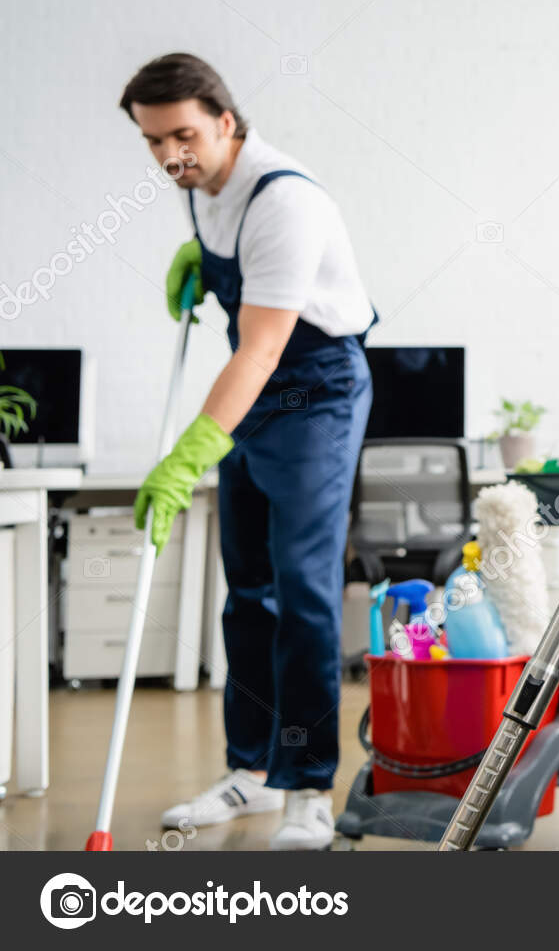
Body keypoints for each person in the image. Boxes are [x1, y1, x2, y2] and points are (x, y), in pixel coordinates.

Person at [121, 54, 376, 850]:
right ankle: (255, 771)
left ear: (226, 121)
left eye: (183, 136)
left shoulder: (284, 200)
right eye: (154, 141)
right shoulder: (207, 188)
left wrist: (189, 453)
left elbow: (262, 349)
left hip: (314, 388)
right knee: (249, 591)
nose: (170, 157)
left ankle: (307, 788)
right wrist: (206, 260)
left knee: (303, 590)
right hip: (256, 393)